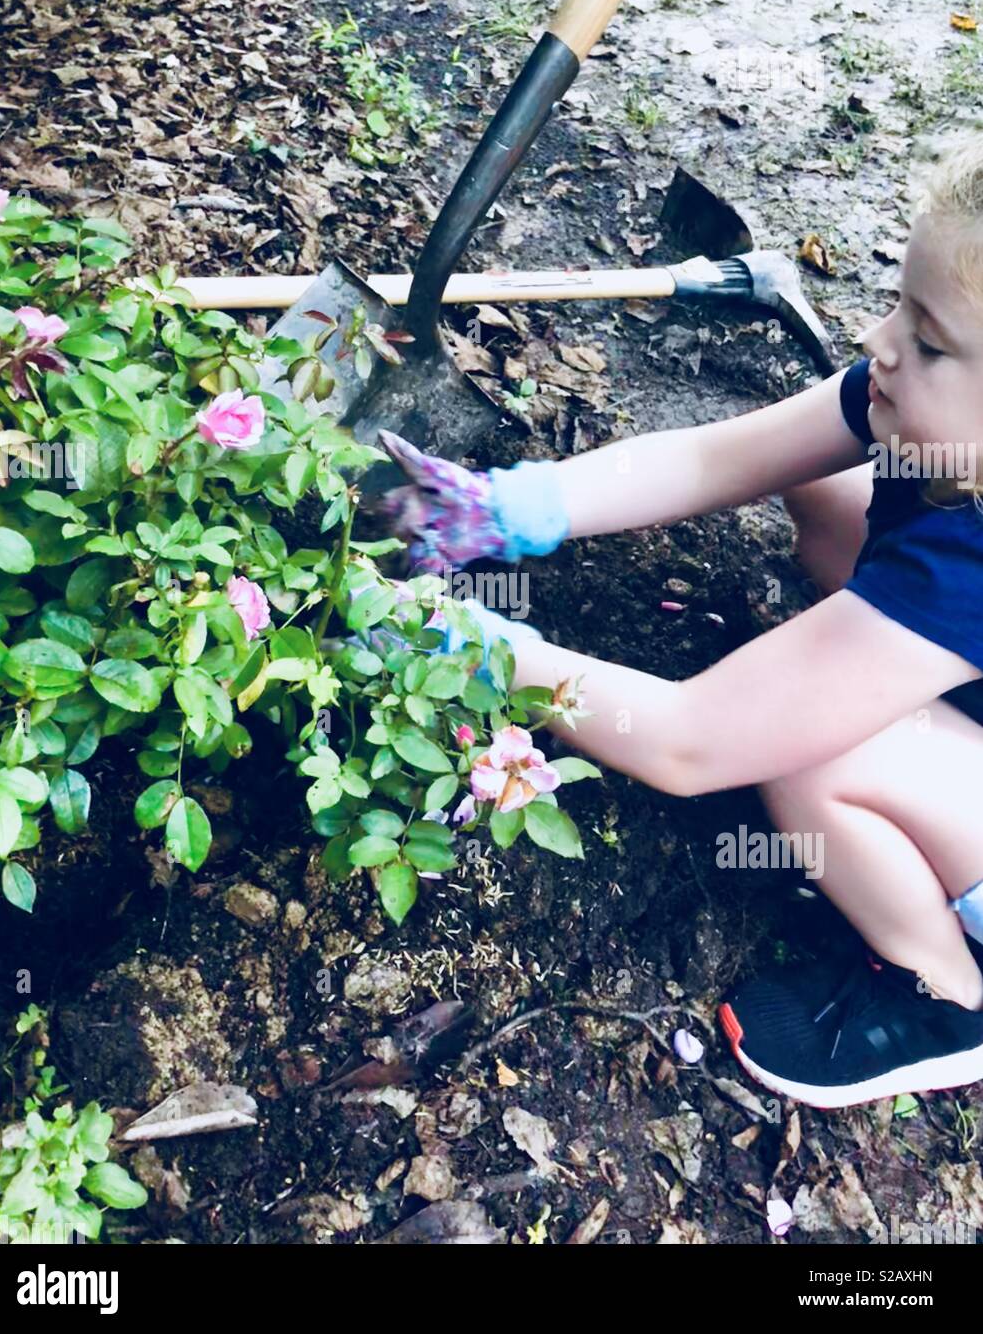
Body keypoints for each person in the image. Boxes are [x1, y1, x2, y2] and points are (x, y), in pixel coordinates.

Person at [374, 131, 983, 1110]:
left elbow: (688, 745)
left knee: (808, 754)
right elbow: (712, 460)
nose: (876, 340)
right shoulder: (930, 424)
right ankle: (900, 689)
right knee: (833, 495)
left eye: (927, 339)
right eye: (895, 304)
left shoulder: (970, 557)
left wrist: (475, 650)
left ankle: (944, 994)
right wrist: (514, 505)